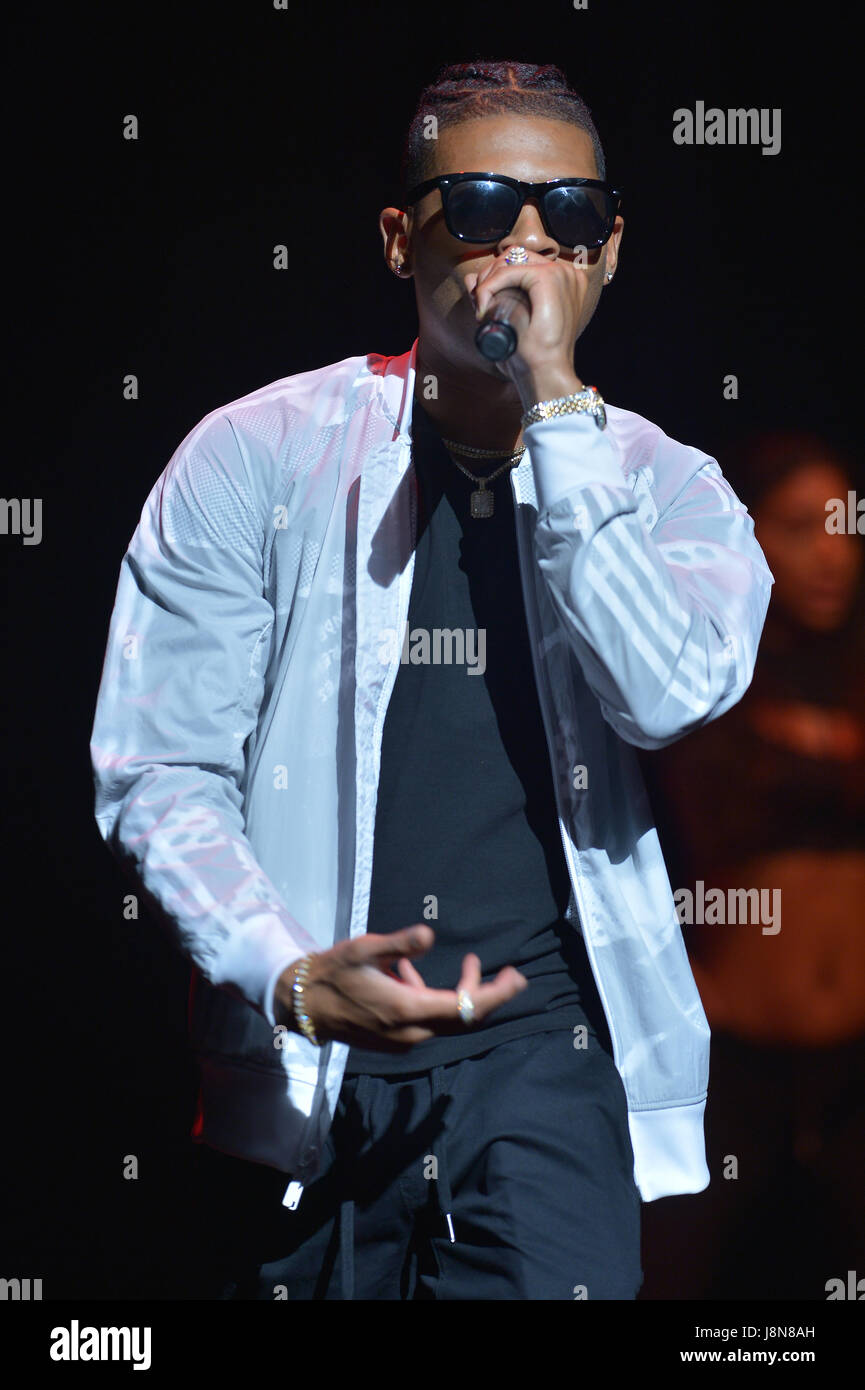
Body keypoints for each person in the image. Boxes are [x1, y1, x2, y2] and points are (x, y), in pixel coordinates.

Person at [89, 59, 773, 1300]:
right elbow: (158, 770)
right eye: (479, 208)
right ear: (402, 239)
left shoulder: (668, 486)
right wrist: (283, 971)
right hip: (306, 1061)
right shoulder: (256, 455)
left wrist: (556, 412)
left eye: (566, 217)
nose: (524, 245)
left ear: (607, 252)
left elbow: (668, 692)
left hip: (546, 1056)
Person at [638, 432, 865, 1298]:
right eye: (801, 525)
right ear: (749, 531)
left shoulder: (854, 677)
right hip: (732, 1061)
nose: (830, 553)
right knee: (700, 1291)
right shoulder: (710, 671)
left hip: (853, 1070)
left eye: (845, 525)